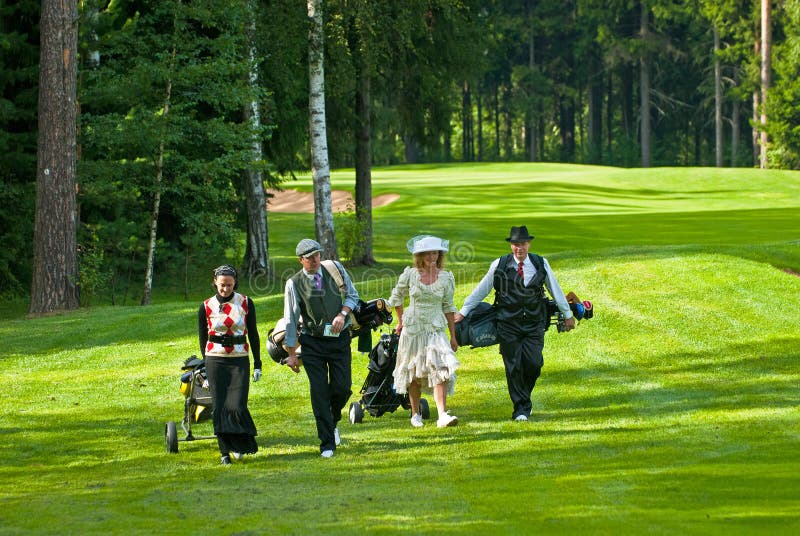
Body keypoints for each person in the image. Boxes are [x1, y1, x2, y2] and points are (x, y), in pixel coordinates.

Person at [455, 225, 575, 422]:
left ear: (529, 244)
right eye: (515, 244)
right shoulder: (499, 265)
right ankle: (521, 409)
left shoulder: (540, 263)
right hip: (507, 324)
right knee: (514, 367)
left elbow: (555, 289)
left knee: (534, 363)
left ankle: (523, 399)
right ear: (511, 246)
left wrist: (567, 314)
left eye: (523, 244)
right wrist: (463, 311)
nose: (519, 248)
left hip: (535, 323)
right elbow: (481, 290)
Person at [283, 238, 360, 458]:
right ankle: (326, 443)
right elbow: (291, 319)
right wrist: (291, 355)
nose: (316, 260)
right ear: (301, 260)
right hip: (312, 343)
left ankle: (332, 419)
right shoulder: (294, 283)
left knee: (342, 387)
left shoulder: (335, 269)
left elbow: (353, 295)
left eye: (318, 255)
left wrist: (342, 314)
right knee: (319, 393)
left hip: (339, 340)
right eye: (310, 258)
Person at [388, 235, 460, 428]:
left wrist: (453, 336)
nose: (432, 256)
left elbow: (448, 306)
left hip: (435, 329)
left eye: (435, 253)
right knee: (414, 373)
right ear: (419, 255)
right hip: (413, 330)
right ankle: (415, 414)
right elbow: (396, 298)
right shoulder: (410, 275)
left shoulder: (445, 277)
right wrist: (401, 321)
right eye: (427, 253)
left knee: (441, 368)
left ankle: (442, 415)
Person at [198, 264, 262, 465]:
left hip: (239, 359)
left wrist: (258, 363)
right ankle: (224, 451)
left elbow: (253, 333)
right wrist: (205, 366)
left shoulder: (245, 303)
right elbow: (203, 337)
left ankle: (239, 442)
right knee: (219, 406)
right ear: (215, 282)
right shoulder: (206, 306)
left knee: (237, 404)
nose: (225, 289)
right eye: (222, 285)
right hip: (215, 359)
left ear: (235, 283)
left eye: (229, 285)